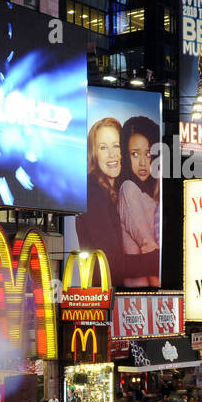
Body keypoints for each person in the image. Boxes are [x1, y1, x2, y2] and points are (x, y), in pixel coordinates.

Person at [118, 115, 161, 288]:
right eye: (135, 154)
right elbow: (148, 246)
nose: (143, 162)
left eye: (148, 154)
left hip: (149, 288)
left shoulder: (151, 192)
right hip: (140, 289)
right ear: (126, 156)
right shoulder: (129, 188)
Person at [75, 116, 124, 266]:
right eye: (103, 147)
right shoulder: (93, 193)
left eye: (116, 145)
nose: (112, 154)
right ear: (94, 154)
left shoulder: (120, 190)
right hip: (102, 285)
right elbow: (110, 257)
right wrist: (152, 258)